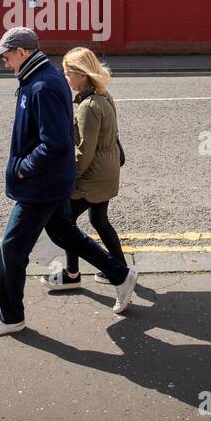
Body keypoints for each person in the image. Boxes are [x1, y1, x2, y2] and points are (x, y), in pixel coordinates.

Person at [0, 27, 137, 337]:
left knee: (11, 248)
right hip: (54, 180)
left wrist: (23, 168)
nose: (5, 63)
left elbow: (56, 143)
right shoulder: (40, 78)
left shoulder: (43, 85)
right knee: (66, 233)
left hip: (41, 184)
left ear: (22, 53)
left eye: (7, 56)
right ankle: (121, 274)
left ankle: (10, 316)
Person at [41, 47, 126, 290]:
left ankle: (72, 274)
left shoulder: (87, 106)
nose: (66, 78)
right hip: (107, 171)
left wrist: (66, 178)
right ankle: (120, 269)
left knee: (65, 224)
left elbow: (83, 152)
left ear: (82, 74)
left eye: (68, 73)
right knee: (99, 219)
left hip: (93, 177)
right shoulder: (104, 94)